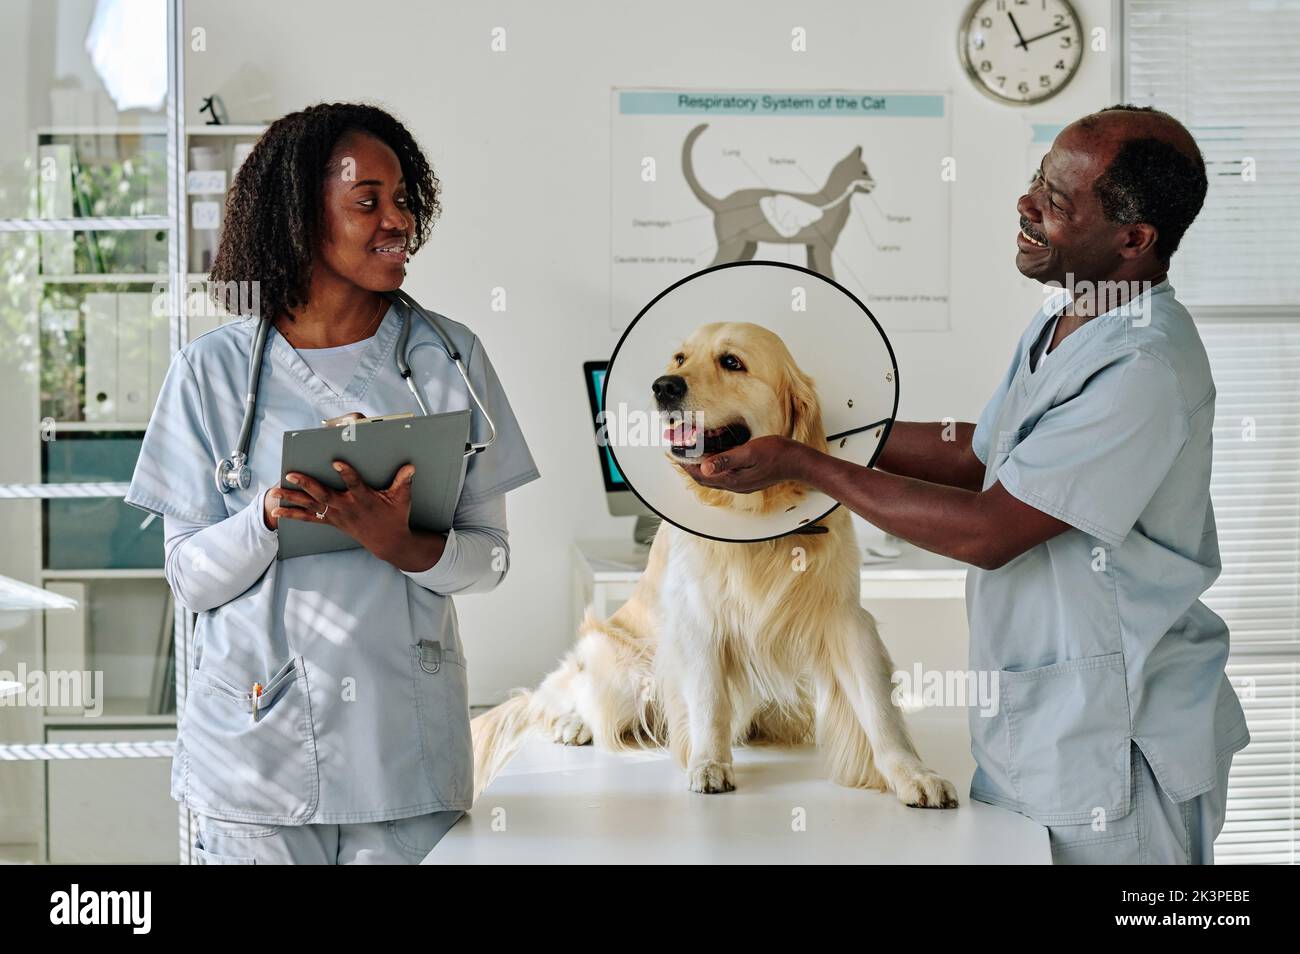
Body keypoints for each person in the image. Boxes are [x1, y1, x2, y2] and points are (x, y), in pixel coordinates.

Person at [684, 105, 1250, 864]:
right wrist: (822, 430)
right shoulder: (1071, 318)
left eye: (1055, 201)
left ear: (1133, 240)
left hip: (1117, 744)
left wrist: (808, 464)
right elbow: (987, 455)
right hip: (1041, 725)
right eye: (1035, 183)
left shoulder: (1143, 367)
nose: (1025, 206)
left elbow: (990, 529)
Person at [125, 103, 539, 864]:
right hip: (257, 763)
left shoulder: (450, 359)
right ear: (299, 218)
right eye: (368, 201)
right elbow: (188, 578)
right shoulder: (211, 374)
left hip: (404, 758)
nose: (400, 221)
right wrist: (266, 518)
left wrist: (405, 545)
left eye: (405, 198)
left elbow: (492, 558)